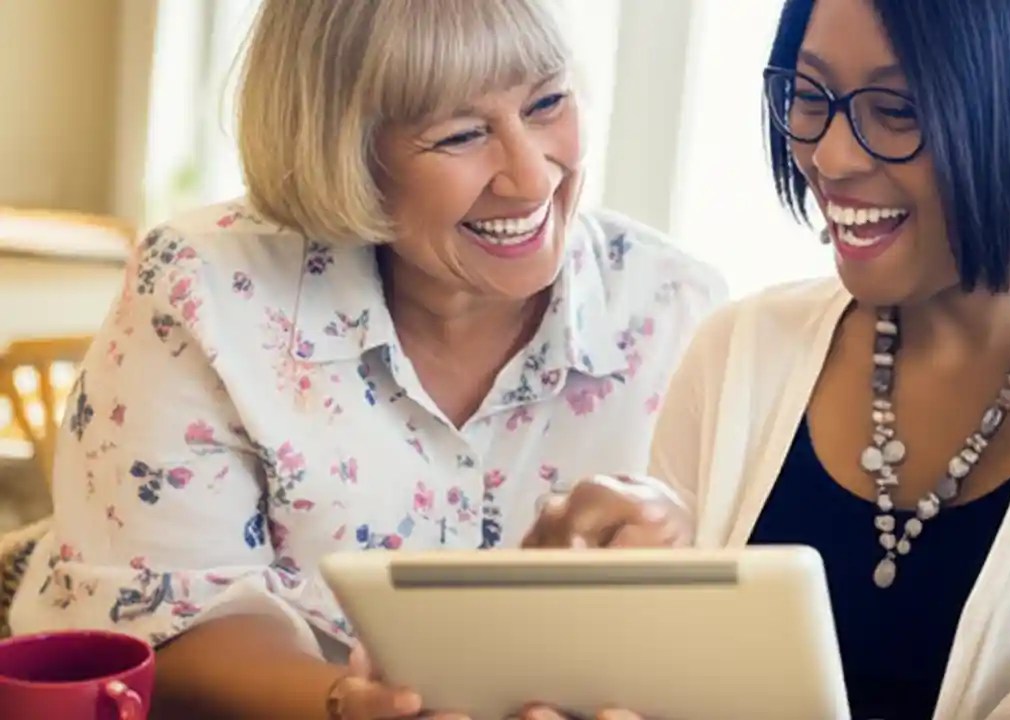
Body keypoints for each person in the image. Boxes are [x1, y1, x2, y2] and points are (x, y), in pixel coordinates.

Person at [522, 0, 1010, 718]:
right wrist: (578, 635)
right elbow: (657, 683)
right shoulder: (739, 349)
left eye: (898, 110)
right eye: (810, 96)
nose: (830, 155)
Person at [8, 1, 723, 718]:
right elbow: (167, 616)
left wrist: (692, 552)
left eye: (547, 103)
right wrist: (355, 705)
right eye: (462, 134)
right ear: (342, 150)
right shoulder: (205, 288)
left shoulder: (678, 307)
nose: (533, 179)